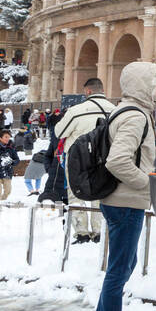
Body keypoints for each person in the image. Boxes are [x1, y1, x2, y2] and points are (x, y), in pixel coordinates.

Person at [86, 61, 156, 311]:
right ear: (141, 83)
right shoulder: (135, 117)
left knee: (122, 267)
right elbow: (117, 161)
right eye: (154, 81)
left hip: (120, 200)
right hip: (126, 201)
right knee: (118, 272)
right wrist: (148, 185)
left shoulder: (126, 110)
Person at [56, 78, 116, 244]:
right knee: (101, 194)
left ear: (88, 91)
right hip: (104, 158)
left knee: (76, 193)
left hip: (78, 157)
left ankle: (81, 232)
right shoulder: (115, 110)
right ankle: (98, 231)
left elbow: (59, 132)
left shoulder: (76, 110)